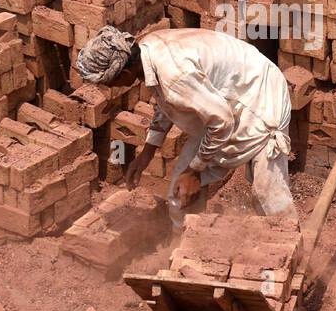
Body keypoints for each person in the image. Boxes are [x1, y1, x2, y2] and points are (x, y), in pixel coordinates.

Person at [76, 25, 296, 227]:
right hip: (223, 102)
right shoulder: (147, 51)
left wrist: (195, 170)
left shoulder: (174, 76)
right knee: (179, 190)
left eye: (109, 83)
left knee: (267, 192)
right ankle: (186, 243)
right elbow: (166, 103)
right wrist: (147, 154)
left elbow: (221, 121)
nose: (109, 89)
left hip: (260, 97)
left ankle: (290, 243)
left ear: (124, 74)